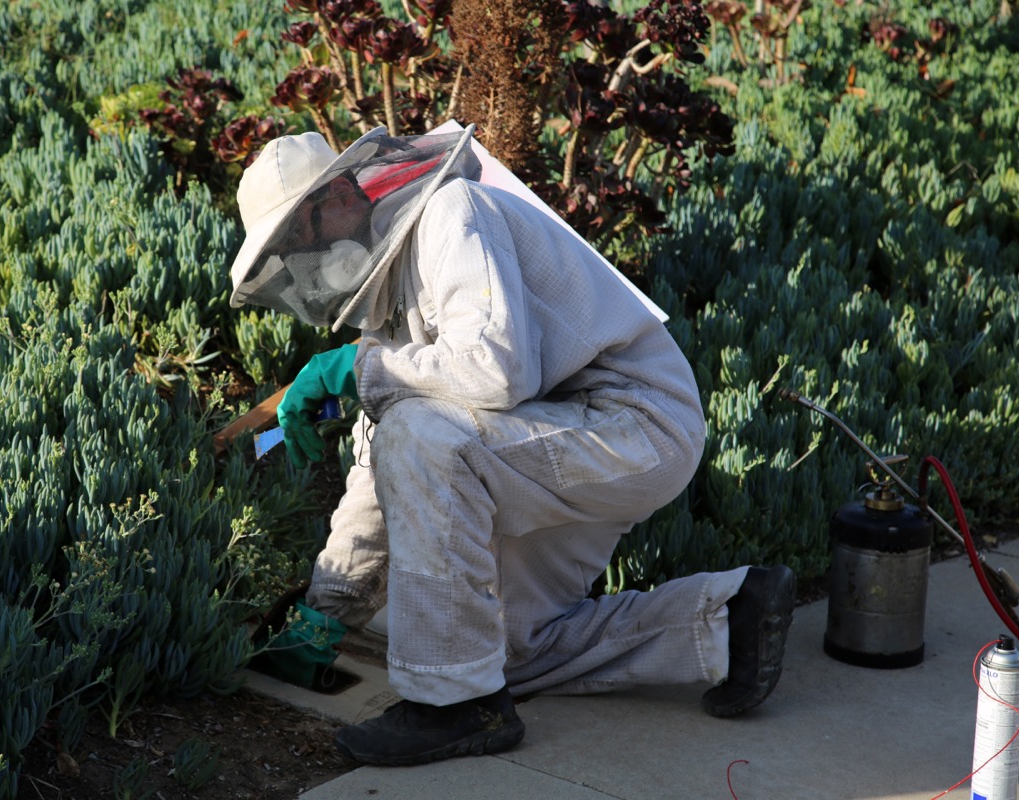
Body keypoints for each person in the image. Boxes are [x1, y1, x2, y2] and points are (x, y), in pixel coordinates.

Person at [228, 126, 796, 767]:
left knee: (420, 437)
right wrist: (326, 609)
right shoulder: (393, 292)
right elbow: (380, 463)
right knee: (506, 652)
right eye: (287, 254)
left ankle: (452, 708)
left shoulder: (451, 214)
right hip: (556, 436)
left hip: (633, 425)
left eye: (297, 240)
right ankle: (727, 617)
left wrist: (362, 372)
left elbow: (495, 372)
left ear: (336, 194)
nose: (303, 263)